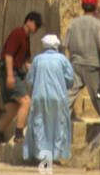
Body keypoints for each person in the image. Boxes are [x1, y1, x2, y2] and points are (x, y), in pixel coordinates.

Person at [0, 11, 43, 150]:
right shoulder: (17, 34)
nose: (36, 30)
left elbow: (26, 60)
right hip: (9, 71)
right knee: (26, 101)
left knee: (12, 109)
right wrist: (10, 76)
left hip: (14, 72)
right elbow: (8, 55)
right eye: (36, 25)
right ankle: (19, 135)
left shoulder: (26, 38)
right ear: (29, 21)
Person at [23, 34, 75, 165]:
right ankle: (56, 155)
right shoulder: (62, 59)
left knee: (39, 123)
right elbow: (70, 79)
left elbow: (30, 79)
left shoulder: (37, 59)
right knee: (58, 123)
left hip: (39, 95)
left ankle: (41, 155)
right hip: (58, 96)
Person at [64, 0, 100, 119]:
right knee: (99, 96)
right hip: (93, 65)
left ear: (82, 7)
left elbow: (66, 44)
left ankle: (60, 121)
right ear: (95, 7)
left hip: (76, 64)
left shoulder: (73, 24)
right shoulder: (97, 24)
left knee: (68, 96)